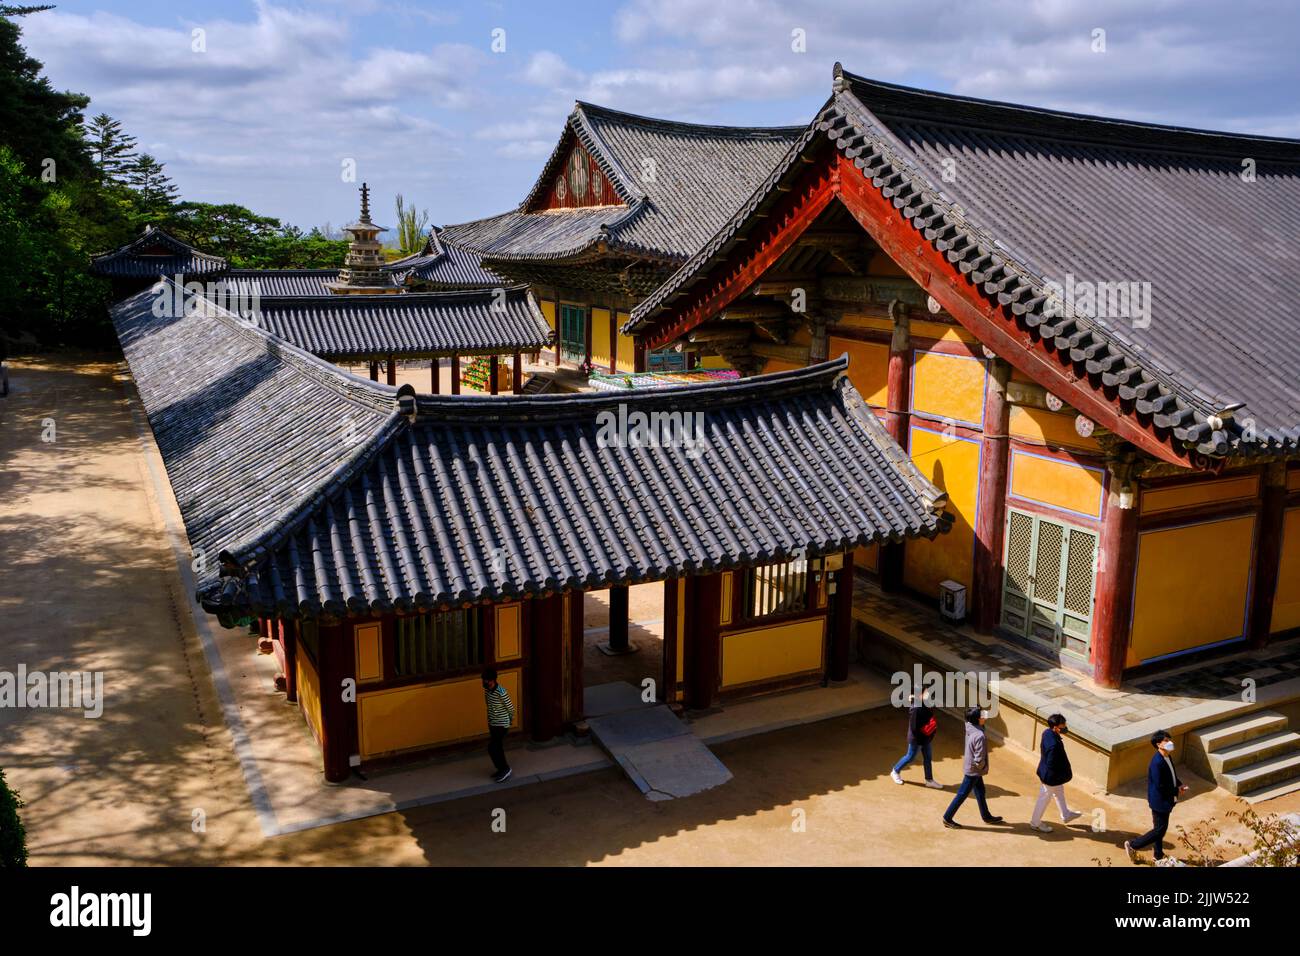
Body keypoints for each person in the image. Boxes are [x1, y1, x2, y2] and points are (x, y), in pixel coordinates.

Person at [1124, 730, 1188, 866]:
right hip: (1160, 801)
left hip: (1166, 799)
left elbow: (1171, 775)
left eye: (1169, 739)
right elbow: (1161, 786)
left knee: (1158, 828)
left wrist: (1179, 784)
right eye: (1166, 740)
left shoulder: (1167, 757)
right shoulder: (1157, 763)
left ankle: (1158, 855)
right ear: (1159, 744)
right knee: (1160, 830)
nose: (1170, 742)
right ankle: (1133, 845)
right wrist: (1176, 789)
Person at [942, 707, 1004, 829]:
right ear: (978, 719)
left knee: (980, 791)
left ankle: (986, 816)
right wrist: (982, 767)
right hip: (974, 770)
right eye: (982, 716)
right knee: (962, 794)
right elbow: (979, 758)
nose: (985, 717)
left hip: (971, 766)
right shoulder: (979, 735)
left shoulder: (970, 726)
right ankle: (947, 817)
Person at [1030, 713, 1084, 832]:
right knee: (1044, 798)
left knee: (1059, 791)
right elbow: (1052, 764)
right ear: (1055, 727)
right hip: (1050, 777)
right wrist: (1057, 776)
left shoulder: (1047, 732)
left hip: (1049, 774)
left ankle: (1065, 814)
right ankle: (1035, 822)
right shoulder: (1054, 745)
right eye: (1062, 726)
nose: (1064, 727)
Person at [890, 692, 943, 788]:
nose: (928, 693)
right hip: (917, 739)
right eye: (926, 692)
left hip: (926, 737)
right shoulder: (916, 708)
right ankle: (895, 771)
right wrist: (927, 728)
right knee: (910, 757)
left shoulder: (925, 703)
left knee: (928, 758)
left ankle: (929, 780)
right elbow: (914, 728)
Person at [481, 667, 515, 783]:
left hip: (502, 725)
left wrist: (509, 721)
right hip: (492, 724)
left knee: (493, 747)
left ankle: (505, 769)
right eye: (484, 680)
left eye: (486, 680)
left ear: (492, 680)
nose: (484, 682)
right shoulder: (487, 691)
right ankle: (501, 769)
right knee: (497, 747)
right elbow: (489, 706)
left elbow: (510, 708)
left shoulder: (501, 692)